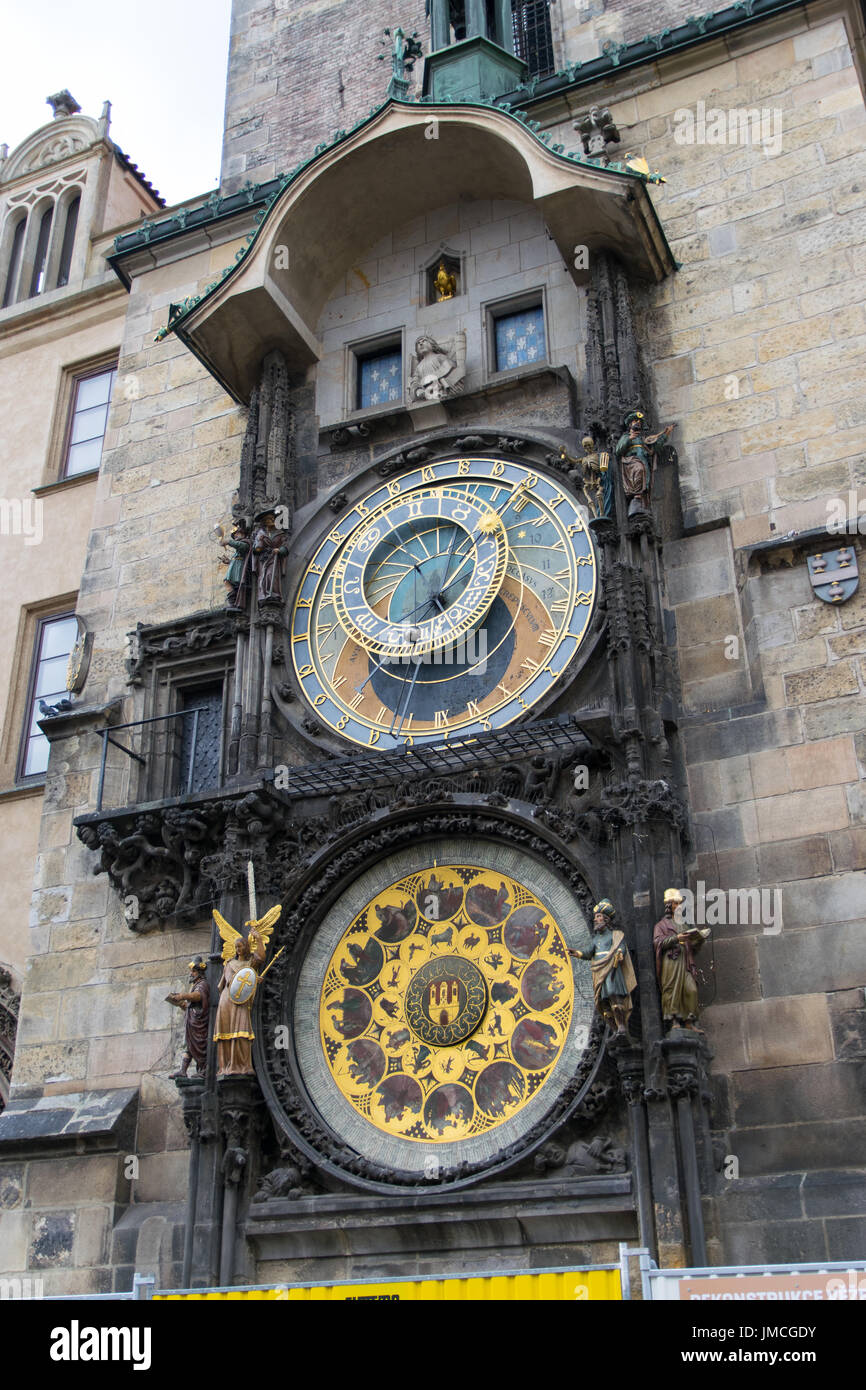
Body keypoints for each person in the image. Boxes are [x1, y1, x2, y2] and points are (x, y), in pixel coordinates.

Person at [567, 899, 636, 1034]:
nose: (595, 920)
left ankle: (621, 1025)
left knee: (613, 994)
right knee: (603, 1000)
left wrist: (620, 953)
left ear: (606, 919)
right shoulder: (596, 939)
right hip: (599, 971)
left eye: (598, 917)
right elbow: (588, 952)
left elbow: (621, 946)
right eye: (595, 917)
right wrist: (577, 953)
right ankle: (614, 1029)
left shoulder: (614, 935)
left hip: (611, 968)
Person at [653, 888, 710, 1030]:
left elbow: (692, 947)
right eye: (676, 904)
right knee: (672, 991)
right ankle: (674, 1021)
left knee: (691, 990)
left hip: (686, 962)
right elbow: (657, 942)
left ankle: (689, 1021)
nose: (679, 907)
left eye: (680, 904)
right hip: (671, 961)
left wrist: (699, 940)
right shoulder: (661, 925)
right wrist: (676, 938)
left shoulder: (684, 925)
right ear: (669, 905)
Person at [615, 410, 674, 515]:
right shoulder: (626, 437)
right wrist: (629, 438)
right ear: (630, 424)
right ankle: (636, 500)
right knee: (639, 470)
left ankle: (642, 503)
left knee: (645, 480)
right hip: (632, 462)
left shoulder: (643, 439)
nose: (637, 423)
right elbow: (618, 450)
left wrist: (666, 434)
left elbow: (654, 448)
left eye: (639, 421)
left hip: (644, 460)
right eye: (634, 421)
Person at [167, 958, 210, 1077]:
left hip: (199, 1024)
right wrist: (182, 1004)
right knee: (188, 1046)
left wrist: (182, 996)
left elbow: (198, 996)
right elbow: (192, 1005)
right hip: (191, 1023)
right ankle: (183, 1070)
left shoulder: (203, 984)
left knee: (200, 1046)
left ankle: (204, 1070)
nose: (191, 974)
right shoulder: (195, 985)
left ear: (199, 972)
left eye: (194, 971)